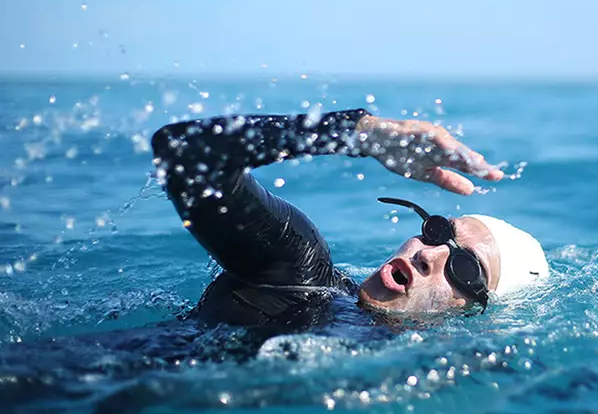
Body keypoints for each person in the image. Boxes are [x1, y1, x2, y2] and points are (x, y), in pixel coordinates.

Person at [149, 108, 550, 331]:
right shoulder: (300, 275)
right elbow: (185, 154)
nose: (428, 256)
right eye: (438, 231)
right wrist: (356, 135)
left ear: (475, 312)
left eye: (465, 268)